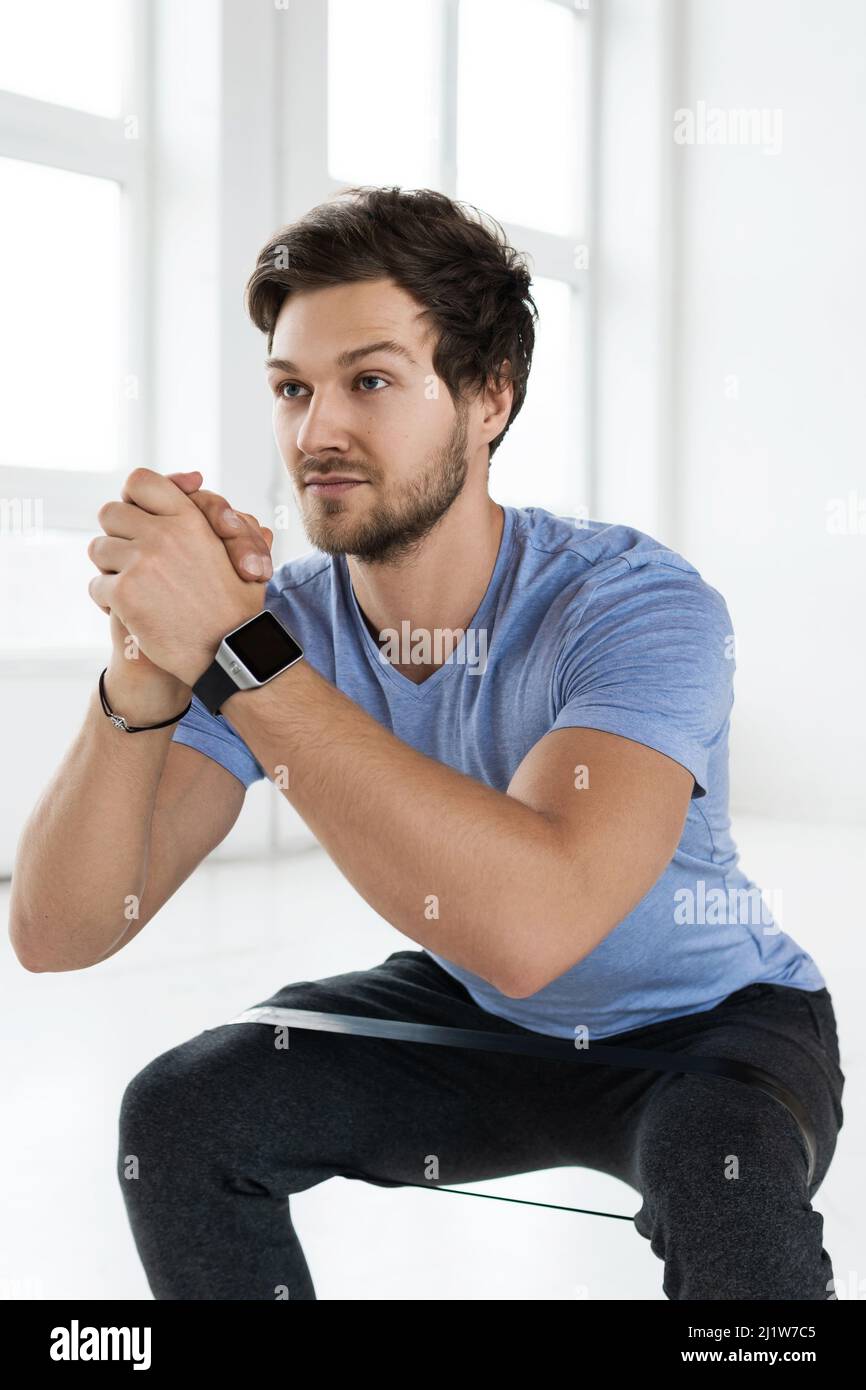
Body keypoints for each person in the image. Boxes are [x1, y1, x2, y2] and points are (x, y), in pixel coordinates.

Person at [10, 186, 844, 1301]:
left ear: (487, 397)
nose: (317, 433)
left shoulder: (633, 602)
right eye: (292, 389)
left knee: (720, 1177)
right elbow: (62, 929)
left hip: (701, 1028)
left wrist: (231, 645)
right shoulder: (285, 625)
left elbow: (531, 927)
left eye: (369, 381)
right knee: (181, 1116)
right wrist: (145, 668)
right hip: (478, 1020)